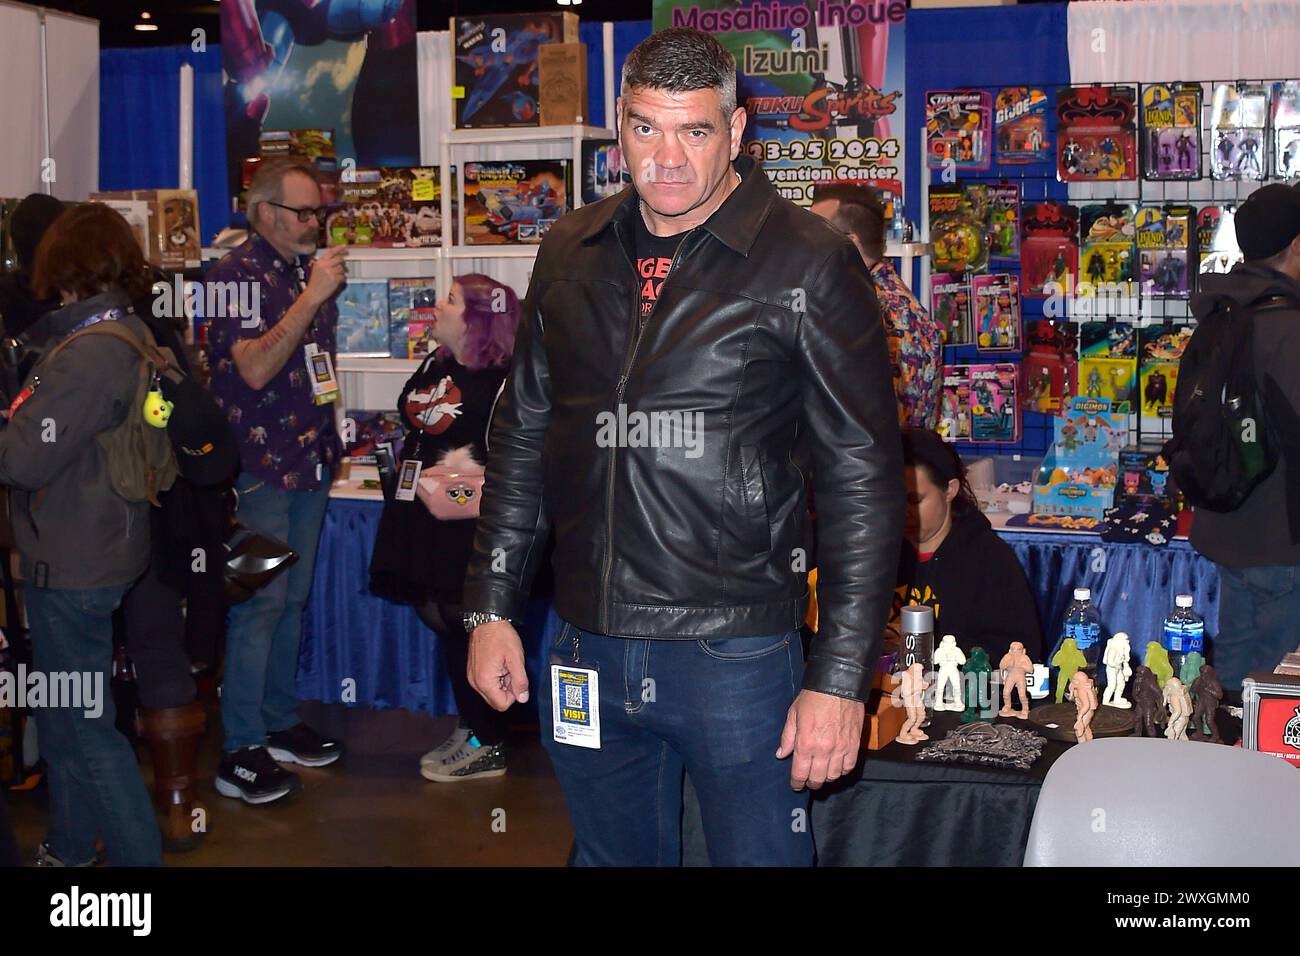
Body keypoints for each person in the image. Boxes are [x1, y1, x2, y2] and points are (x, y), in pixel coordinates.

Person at [461, 27, 904, 867]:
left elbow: (863, 481)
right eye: (644, 128)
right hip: (585, 638)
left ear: (737, 131)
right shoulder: (568, 250)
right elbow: (522, 438)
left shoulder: (808, 263)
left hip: (733, 648)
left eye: (694, 131)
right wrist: (491, 606)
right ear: (619, 127)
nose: (666, 158)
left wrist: (841, 677)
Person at [0, 203, 163, 866]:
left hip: (72, 562)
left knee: (87, 730)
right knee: (68, 723)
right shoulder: (121, 331)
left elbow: (23, 459)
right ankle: (68, 850)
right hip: (95, 549)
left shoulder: (85, 355)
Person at [206, 157, 349, 805]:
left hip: (310, 457)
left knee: (290, 600)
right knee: (258, 604)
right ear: (264, 214)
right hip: (259, 470)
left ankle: (274, 719)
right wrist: (312, 298)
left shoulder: (299, 271)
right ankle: (238, 748)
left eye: (320, 211)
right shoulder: (229, 276)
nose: (316, 222)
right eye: (304, 211)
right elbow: (256, 368)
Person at [369, 274, 518, 782]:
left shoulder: (502, 377)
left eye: (450, 300)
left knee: (468, 625)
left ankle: (488, 739)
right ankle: (471, 724)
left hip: (467, 524)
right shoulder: (439, 362)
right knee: (443, 620)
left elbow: (515, 462)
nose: (437, 305)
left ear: (477, 316)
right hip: (422, 517)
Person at [1188, 184, 1300, 690]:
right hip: (1283, 539)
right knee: (1280, 686)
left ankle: (1223, 758)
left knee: (1234, 671)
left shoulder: (1223, 312)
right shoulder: (1288, 328)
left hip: (1229, 523)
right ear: (1296, 246)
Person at [889, 428, 1042, 665]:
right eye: (893, 499)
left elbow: (1021, 651)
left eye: (914, 500)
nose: (903, 512)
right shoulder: (880, 554)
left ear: (950, 490)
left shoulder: (989, 560)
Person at [811, 181, 943, 430]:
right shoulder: (882, 300)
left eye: (816, 234)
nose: (805, 243)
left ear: (850, 243)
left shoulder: (880, 312)